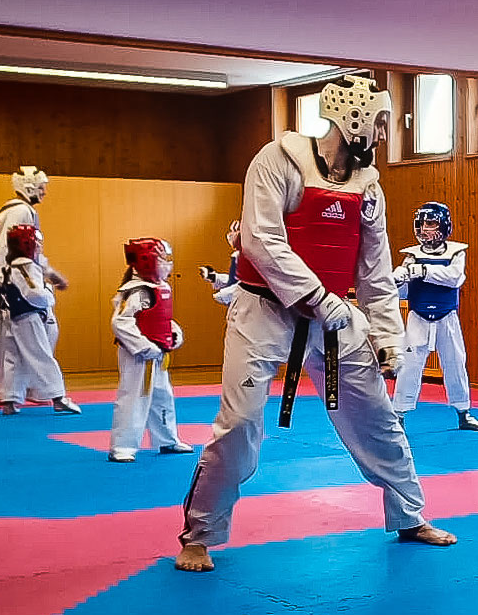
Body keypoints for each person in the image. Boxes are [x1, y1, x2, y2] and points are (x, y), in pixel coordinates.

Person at [175, 75, 456, 573]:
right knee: (238, 423)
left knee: (378, 420)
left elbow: (373, 265)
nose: (384, 135)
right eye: (381, 122)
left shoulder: (368, 186)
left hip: (335, 318)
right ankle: (199, 534)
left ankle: (409, 515)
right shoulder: (276, 162)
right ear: (355, 117)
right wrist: (321, 301)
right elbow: (262, 241)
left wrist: (389, 336)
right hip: (263, 310)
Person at [391, 201, 478, 431]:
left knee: (455, 363)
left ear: (444, 226)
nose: (425, 228)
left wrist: (423, 271)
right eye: (421, 223)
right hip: (418, 315)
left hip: (447, 317)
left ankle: (464, 413)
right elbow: (403, 293)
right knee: (409, 365)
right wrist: (397, 280)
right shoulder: (411, 256)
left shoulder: (456, 253)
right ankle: (399, 415)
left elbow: (454, 277)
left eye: (431, 223)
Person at [0, 166, 69, 406]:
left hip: (10, 277)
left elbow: (26, 253)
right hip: (13, 280)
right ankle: (27, 387)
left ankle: (4, 387)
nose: (44, 192)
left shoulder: (14, 210)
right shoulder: (21, 211)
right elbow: (12, 251)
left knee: (5, 335)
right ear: (28, 186)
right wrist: (11, 280)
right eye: (41, 187)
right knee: (24, 334)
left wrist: (49, 274)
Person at [108, 239, 193, 462]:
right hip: (139, 356)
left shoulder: (159, 288)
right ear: (147, 261)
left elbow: (162, 318)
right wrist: (145, 347)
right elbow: (121, 323)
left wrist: (173, 334)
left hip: (158, 353)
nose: (167, 264)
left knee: (162, 396)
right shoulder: (135, 291)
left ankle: (167, 439)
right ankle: (123, 446)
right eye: (162, 259)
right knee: (135, 396)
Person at [0, 225, 80, 416]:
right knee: (41, 355)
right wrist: (50, 292)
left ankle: (11, 400)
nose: (40, 247)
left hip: (12, 318)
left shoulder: (10, 266)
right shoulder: (25, 266)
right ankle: (58, 397)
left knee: (15, 358)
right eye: (38, 243)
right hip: (28, 317)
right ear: (28, 245)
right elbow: (36, 294)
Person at [198, 221, 243, 307]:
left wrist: (224, 295)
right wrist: (213, 277)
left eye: (234, 231)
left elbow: (245, 287)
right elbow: (233, 281)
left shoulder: (249, 258)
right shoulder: (237, 256)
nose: (231, 235)